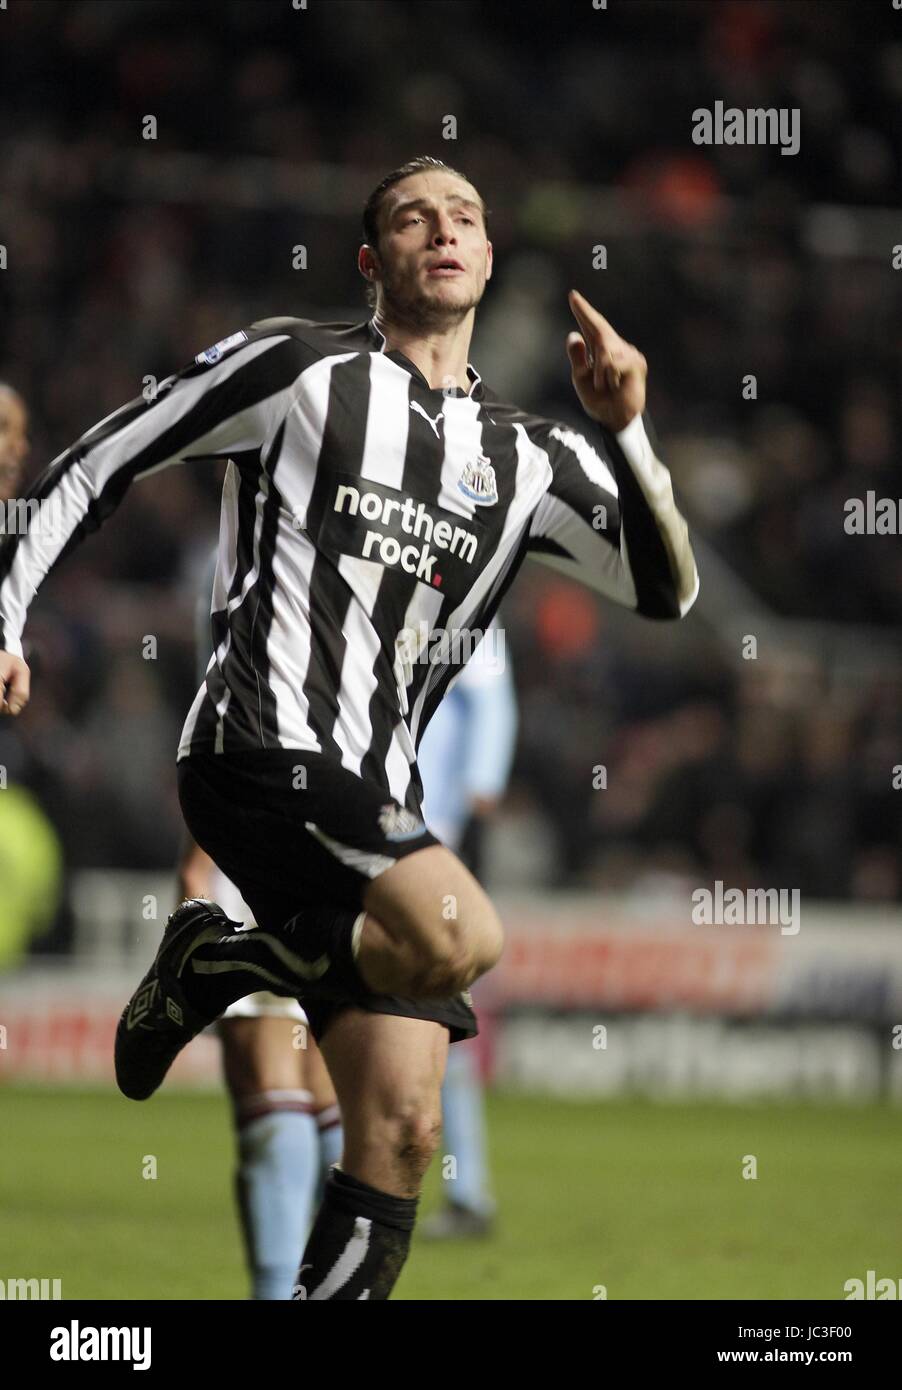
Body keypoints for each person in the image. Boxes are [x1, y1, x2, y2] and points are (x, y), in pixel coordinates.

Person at [0, 155, 699, 1299]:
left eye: (465, 215)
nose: (444, 230)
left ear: (485, 255)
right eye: (415, 218)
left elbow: (666, 592)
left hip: (376, 802)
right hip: (256, 753)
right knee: (465, 931)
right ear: (374, 262)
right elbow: (104, 459)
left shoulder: (528, 457)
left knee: (403, 1132)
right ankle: (220, 963)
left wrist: (626, 430)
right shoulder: (297, 368)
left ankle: (216, 961)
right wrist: (6, 611)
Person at [177, 548, 343, 1300]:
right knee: (331, 1086)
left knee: (269, 1080)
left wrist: (196, 859)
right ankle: (333, 1282)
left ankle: (277, 1291)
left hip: (261, 843)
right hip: (363, 847)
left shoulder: (267, 579)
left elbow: (235, 732)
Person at [417, 619, 516, 1238]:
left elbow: (493, 702)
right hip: (365, 835)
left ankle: (468, 1188)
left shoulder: (457, 579)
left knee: (435, 1011)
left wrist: (479, 798)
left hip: (429, 842)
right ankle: (465, 1188)